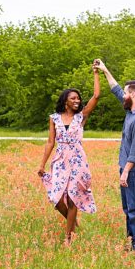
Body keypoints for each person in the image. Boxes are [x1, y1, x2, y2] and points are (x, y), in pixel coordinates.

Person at [38, 65, 101, 245]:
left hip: (77, 159)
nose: (77, 100)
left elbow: (96, 96)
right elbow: (50, 142)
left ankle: (68, 238)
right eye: (73, 98)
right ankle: (72, 221)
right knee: (56, 198)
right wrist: (42, 164)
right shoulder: (54, 118)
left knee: (73, 196)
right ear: (65, 101)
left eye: (78, 98)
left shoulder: (81, 116)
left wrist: (96, 73)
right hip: (60, 160)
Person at [93, 58, 135, 252]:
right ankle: (132, 240)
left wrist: (125, 172)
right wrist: (104, 69)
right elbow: (115, 89)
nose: (122, 95)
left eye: (125, 93)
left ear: (132, 95)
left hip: (131, 170)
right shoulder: (131, 112)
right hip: (126, 168)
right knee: (128, 208)